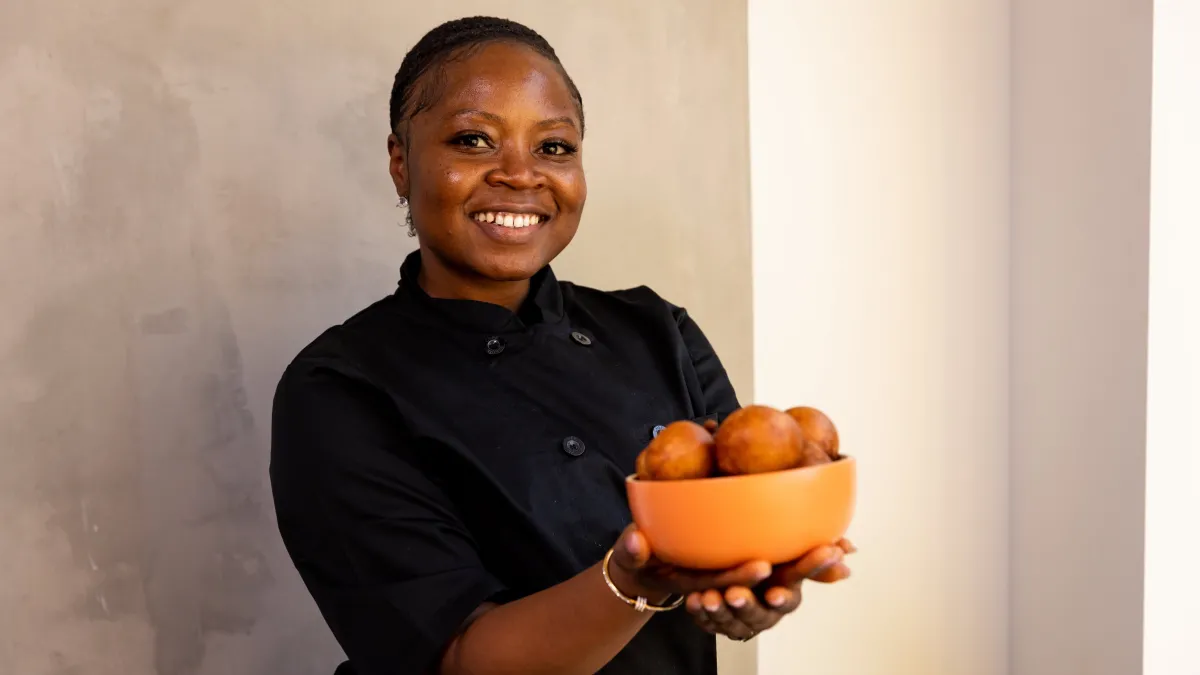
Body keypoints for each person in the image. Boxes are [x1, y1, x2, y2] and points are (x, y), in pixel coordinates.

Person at [269, 16, 853, 675]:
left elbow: (738, 536)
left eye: (553, 147)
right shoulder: (341, 388)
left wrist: (753, 581)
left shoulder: (658, 330)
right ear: (400, 162)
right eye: (473, 140)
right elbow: (456, 660)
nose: (521, 175)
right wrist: (636, 579)